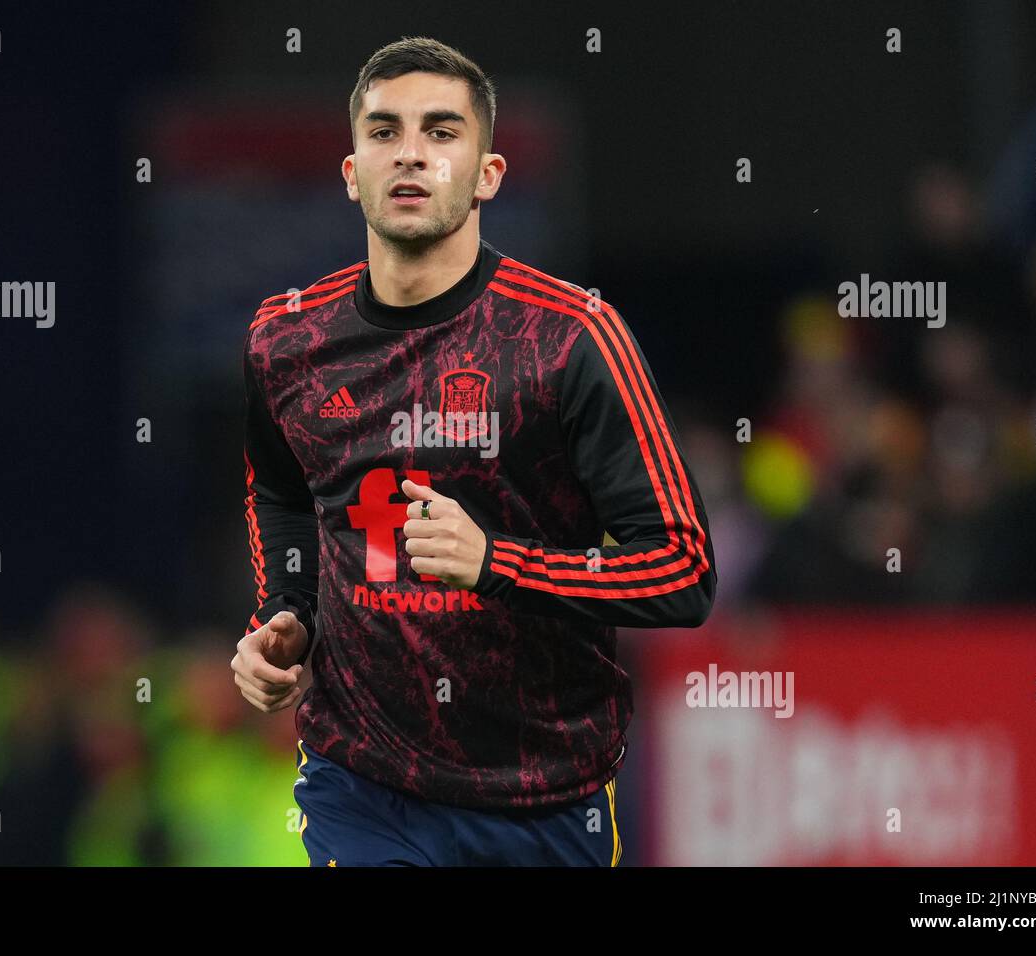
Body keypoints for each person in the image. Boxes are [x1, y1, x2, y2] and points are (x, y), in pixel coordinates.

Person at [233, 36, 716, 866]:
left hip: (543, 795)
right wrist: (290, 615)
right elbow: (281, 495)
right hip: (362, 782)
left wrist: (499, 562)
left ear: (488, 174)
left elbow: (682, 572)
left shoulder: (571, 340)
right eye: (383, 132)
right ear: (353, 173)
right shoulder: (286, 341)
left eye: (441, 131)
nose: (410, 152)